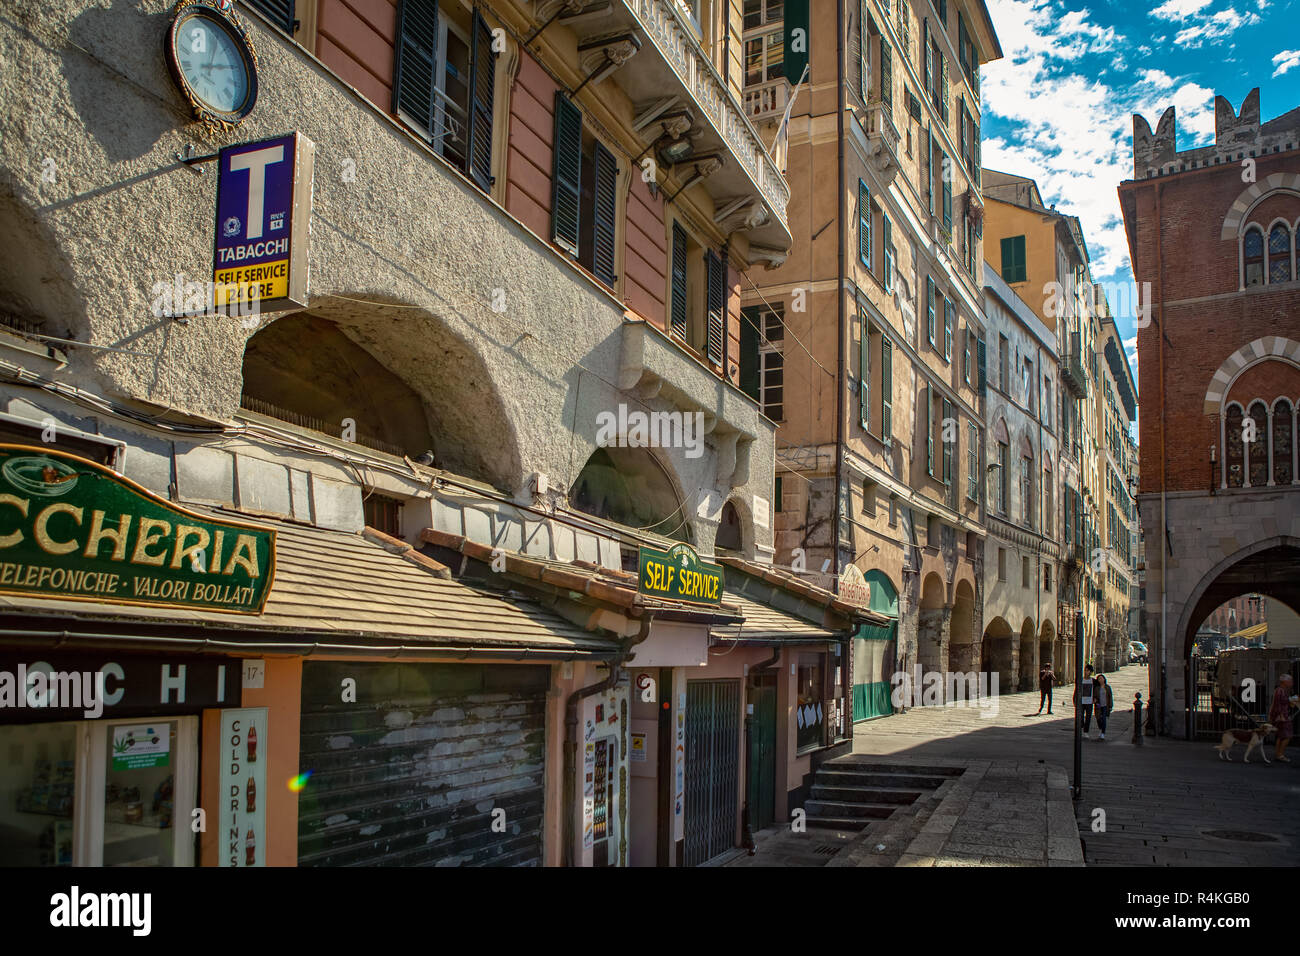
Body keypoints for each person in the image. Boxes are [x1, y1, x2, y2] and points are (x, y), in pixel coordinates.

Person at [1270, 674, 1296, 763]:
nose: (1292, 683)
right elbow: (1277, 705)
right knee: (1287, 736)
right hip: (1282, 717)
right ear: (1285, 682)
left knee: (1281, 736)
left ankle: (1278, 754)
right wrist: (1281, 716)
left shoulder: (1281, 690)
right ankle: (1280, 755)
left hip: (1281, 716)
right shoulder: (1280, 691)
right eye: (1290, 681)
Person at [1075, 665, 1095, 737]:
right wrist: (1075, 700)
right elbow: (1076, 690)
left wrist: (1096, 698)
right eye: (1085, 670)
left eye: (1087, 670)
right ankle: (1081, 727)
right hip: (1081, 701)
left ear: (1091, 672)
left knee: (1088, 717)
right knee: (1080, 716)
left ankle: (1086, 731)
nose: (1086, 672)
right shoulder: (1081, 680)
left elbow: (1097, 690)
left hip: (1089, 702)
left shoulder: (1093, 681)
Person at [1094, 674, 1112, 740]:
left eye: (1101, 678)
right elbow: (1094, 696)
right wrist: (1095, 700)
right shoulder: (1096, 688)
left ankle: (1103, 733)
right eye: (1099, 679)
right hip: (1098, 705)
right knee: (1098, 718)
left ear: (1104, 679)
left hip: (1105, 706)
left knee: (1104, 719)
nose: (1100, 680)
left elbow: (1110, 697)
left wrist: (1110, 706)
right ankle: (1100, 729)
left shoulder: (1107, 687)